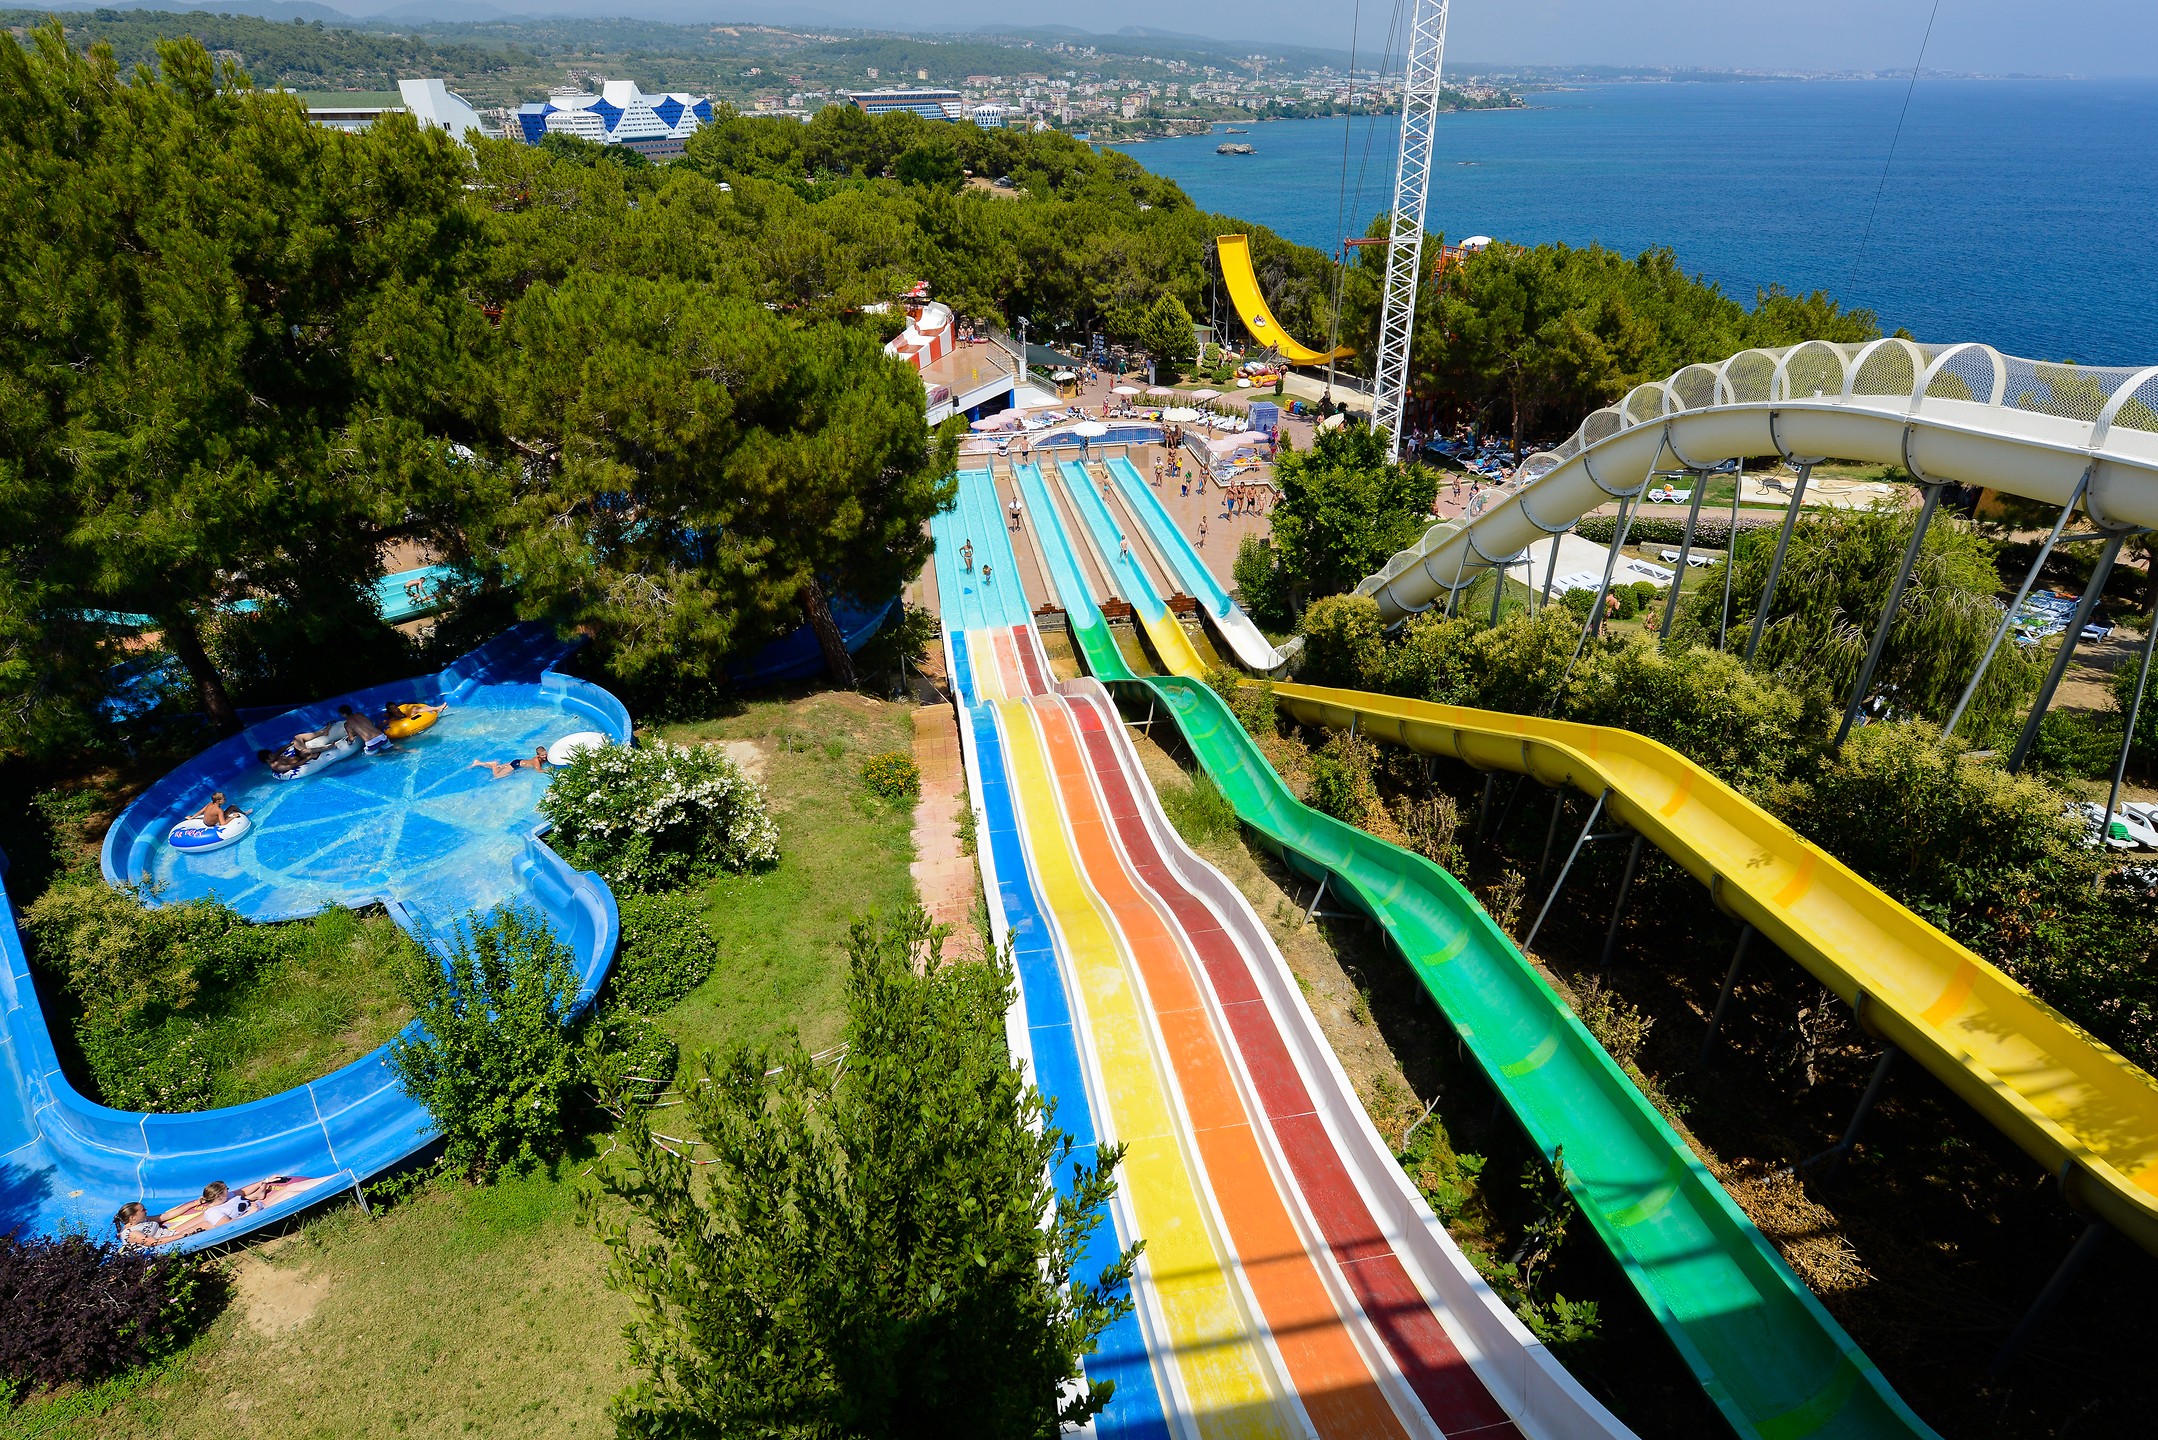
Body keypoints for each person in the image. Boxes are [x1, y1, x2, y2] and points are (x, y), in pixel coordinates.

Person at [471, 745, 549, 780]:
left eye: (545, 754)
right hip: (516, 764)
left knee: (499, 768)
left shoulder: (544, 757)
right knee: (497, 775)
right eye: (542, 755)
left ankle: (478, 763)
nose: (544, 756)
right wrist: (549, 770)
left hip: (519, 762)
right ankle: (493, 764)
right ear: (538, 755)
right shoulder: (536, 760)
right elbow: (538, 770)